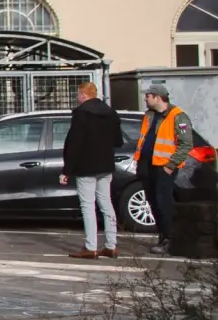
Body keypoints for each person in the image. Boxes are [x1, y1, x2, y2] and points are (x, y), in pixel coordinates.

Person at [59, 82, 121, 258]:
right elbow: (118, 140)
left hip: (86, 166)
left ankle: (91, 246)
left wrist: (67, 170)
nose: (78, 98)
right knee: (106, 203)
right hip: (106, 164)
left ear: (83, 95)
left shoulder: (81, 114)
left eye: (78, 94)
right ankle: (111, 245)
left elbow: (74, 144)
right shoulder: (111, 112)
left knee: (88, 205)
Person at [134, 81, 194, 255]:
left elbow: (185, 144)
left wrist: (171, 165)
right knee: (153, 202)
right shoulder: (150, 115)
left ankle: (169, 239)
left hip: (164, 167)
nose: (145, 98)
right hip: (147, 165)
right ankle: (162, 236)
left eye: (148, 96)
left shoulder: (178, 116)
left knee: (163, 203)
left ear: (158, 97)